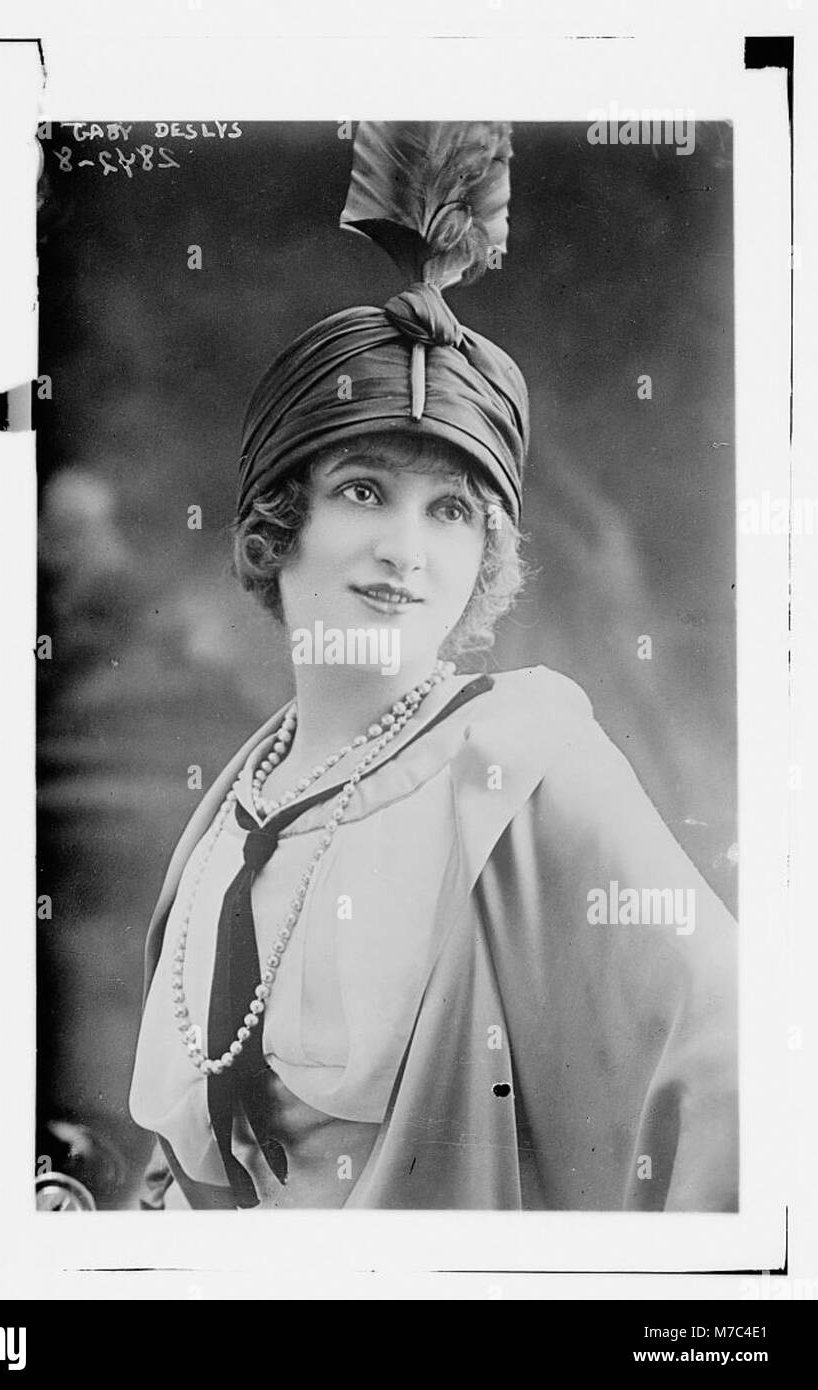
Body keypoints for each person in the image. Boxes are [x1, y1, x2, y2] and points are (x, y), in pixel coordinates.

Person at [128, 121, 737, 1212]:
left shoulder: (522, 769)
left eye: (450, 510)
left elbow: (734, 1068)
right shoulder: (228, 812)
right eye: (364, 490)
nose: (407, 550)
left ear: (484, 557)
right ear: (280, 524)